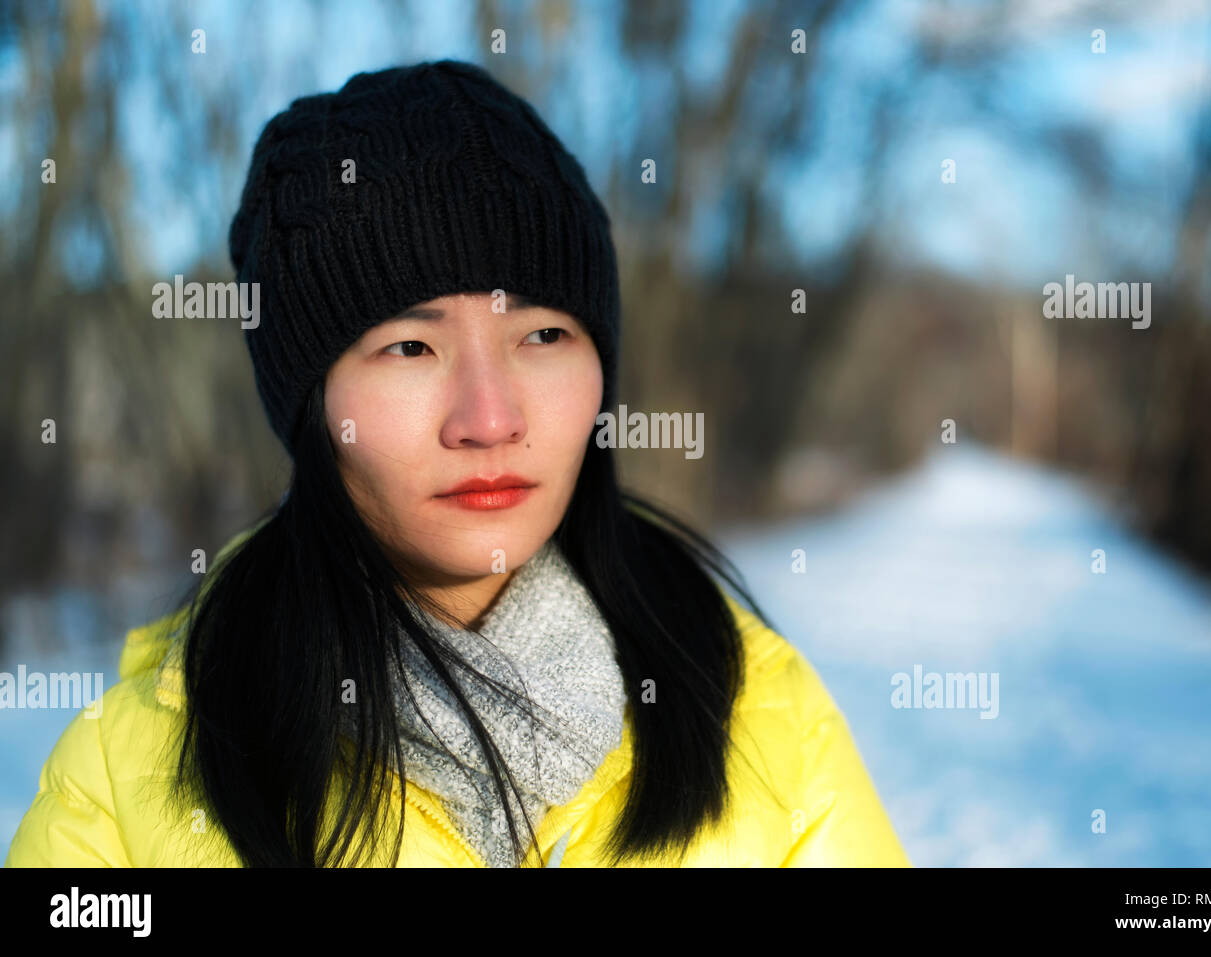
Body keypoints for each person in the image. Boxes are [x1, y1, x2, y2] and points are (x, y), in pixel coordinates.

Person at [4, 59, 910, 868]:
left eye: (543, 333)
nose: (490, 417)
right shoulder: (131, 781)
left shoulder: (760, 713)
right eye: (409, 347)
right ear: (309, 401)